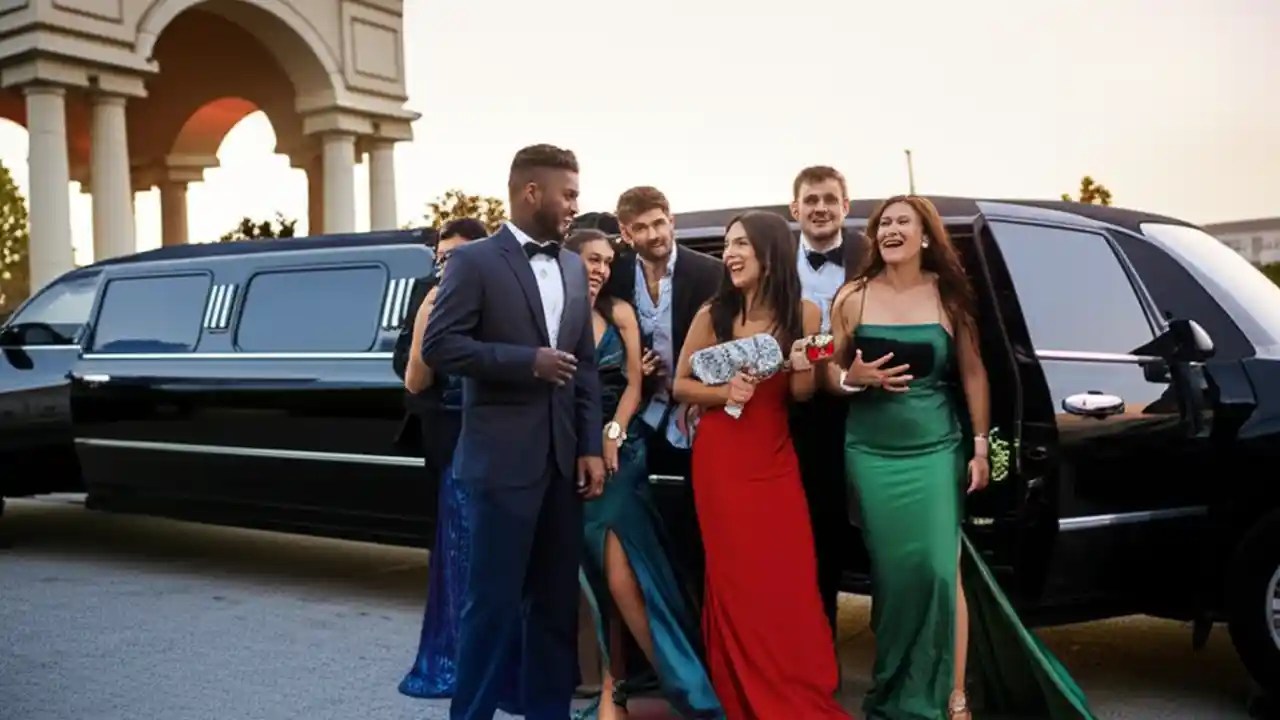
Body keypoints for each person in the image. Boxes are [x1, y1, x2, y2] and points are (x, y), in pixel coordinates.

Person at [827, 195, 1095, 720]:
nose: (891, 229)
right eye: (883, 224)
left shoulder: (948, 298)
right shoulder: (852, 297)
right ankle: (896, 686)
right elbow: (823, 374)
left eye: (903, 221)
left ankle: (953, 694)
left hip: (934, 449)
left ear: (925, 236)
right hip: (871, 452)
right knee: (895, 575)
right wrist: (849, 379)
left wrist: (979, 447)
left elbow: (974, 372)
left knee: (936, 569)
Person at [422, 143, 606, 720]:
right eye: (568, 193)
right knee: (492, 609)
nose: (575, 204)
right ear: (533, 192)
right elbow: (440, 345)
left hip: (561, 465)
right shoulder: (475, 261)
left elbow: (585, 367)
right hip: (500, 466)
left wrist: (591, 447)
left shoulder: (573, 266)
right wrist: (526, 360)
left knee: (554, 608)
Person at [673, 211, 850, 720]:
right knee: (734, 580)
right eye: (727, 245)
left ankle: (793, 684)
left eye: (740, 245)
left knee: (786, 576)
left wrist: (802, 363)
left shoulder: (806, 313)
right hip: (721, 461)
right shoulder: (713, 313)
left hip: (775, 461)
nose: (729, 254)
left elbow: (801, 394)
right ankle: (738, 686)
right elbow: (680, 385)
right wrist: (723, 390)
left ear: (769, 251)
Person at [564, 229, 722, 720]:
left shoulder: (620, 313)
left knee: (623, 576)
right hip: (565, 458)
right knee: (591, 581)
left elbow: (635, 385)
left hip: (621, 455)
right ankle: (614, 689)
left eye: (607, 262)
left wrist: (613, 432)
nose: (600, 269)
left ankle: (690, 691)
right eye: (591, 259)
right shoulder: (545, 317)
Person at [395, 218, 522, 711]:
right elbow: (413, 382)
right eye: (441, 257)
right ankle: (454, 661)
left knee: (504, 566)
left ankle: (508, 670)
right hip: (454, 452)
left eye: (458, 256)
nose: (448, 265)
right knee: (459, 561)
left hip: (505, 449)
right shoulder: (426, 301)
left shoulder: (502, 300)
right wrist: (430, 311)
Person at [603, 186, 722, 598]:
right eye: (641, 227)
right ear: (625, 231)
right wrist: (632, 366)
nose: (654, 234)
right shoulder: (614, 275)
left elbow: (727, 344)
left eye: (659, 222)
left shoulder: (709, 272)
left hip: (697, 418)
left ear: (671, 220)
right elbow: (600, 341)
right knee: (646, 524)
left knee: (698, 529)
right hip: (640, 416)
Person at [787, 165, 862, 640]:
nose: (820, 208)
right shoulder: (771, 259)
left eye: (829, 199)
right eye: (810, 199)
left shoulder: (871, 258)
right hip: (782, 411)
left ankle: (823, 643)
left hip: (852, 408)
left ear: (845, 207)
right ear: (794, 209)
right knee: (787, 532)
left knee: (833, 532)